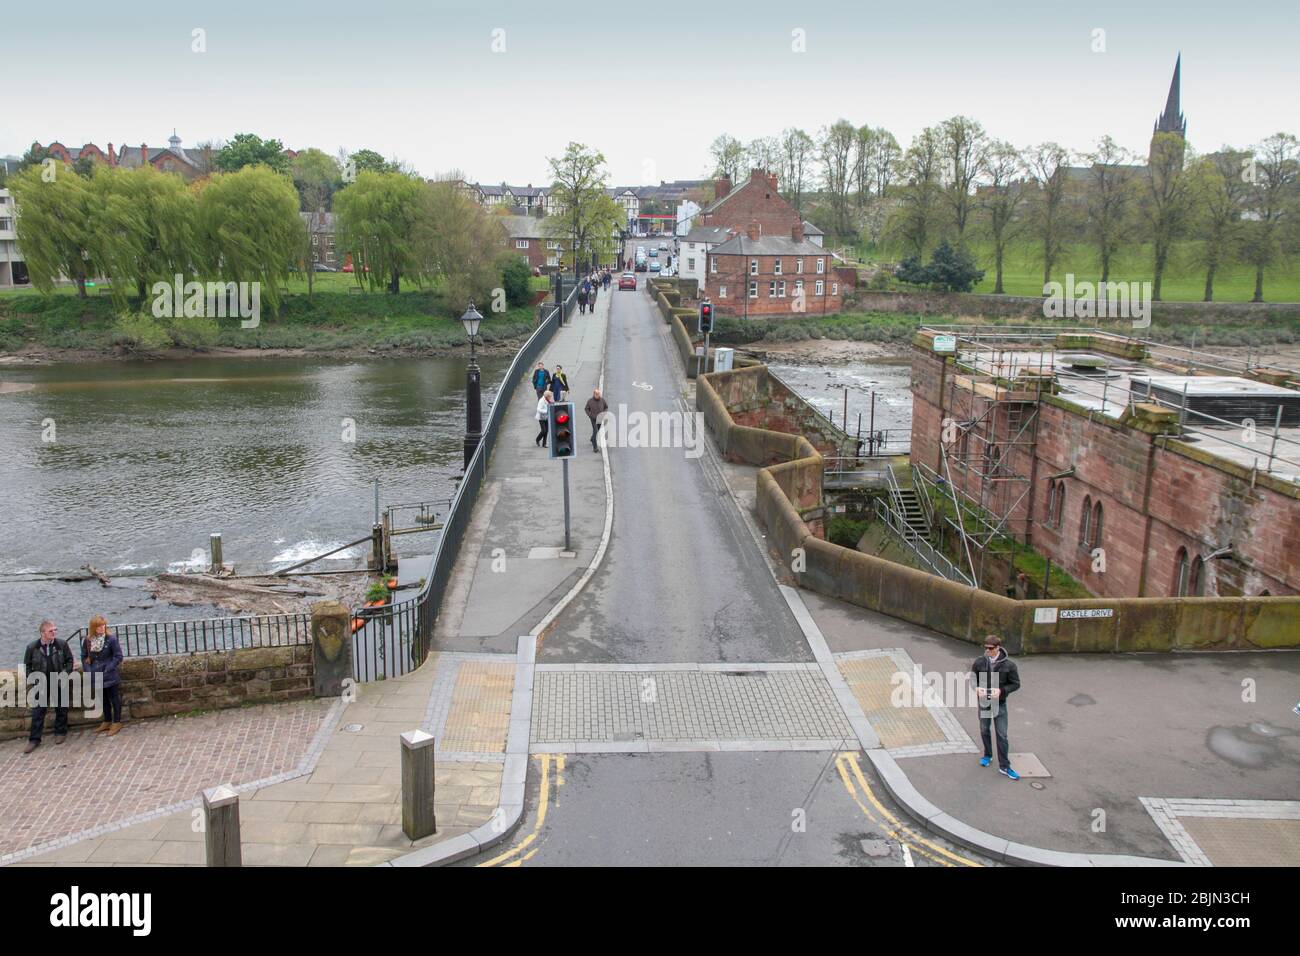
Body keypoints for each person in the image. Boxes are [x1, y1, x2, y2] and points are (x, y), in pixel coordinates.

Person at [971, 635, 1021, 780]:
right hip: (984, 702)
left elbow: (1016, 684)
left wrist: (1001, 691)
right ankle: (987, 755)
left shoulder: (1009, 665)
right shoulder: (980, 662)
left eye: (990, 648)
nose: (987, 651)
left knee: (1002, 735)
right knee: (984, 729)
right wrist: (976, 688)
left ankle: (1005, 766)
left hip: (999, 703)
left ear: (998, 648)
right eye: (985, 648)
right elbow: (973, 677)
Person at [23, 620, 75, 754]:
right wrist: (33, 679)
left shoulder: (61, 644)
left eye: (55, 630)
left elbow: (70, 660)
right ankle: (34, 739)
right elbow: (27, 666)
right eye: (51, 631)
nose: (54, 633)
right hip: (41, 683)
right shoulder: (32, 647)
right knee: (38, 712)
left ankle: (60, 732)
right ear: (42, 633)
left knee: (61, 708)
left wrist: (65, 674)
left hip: (58, 681)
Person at [83, 614, 125, 737]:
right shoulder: (87, 640)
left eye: (103, 625)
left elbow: (118, 656)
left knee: (114, 698)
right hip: (95, 673)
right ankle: (107, 721)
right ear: (93, 628)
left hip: (109, 673)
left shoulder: (111, 639)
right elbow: (84, 656)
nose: (102, 628)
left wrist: (109, 667)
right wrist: (88, 669)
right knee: (103, 700)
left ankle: (116, 722)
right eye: (98, 626)